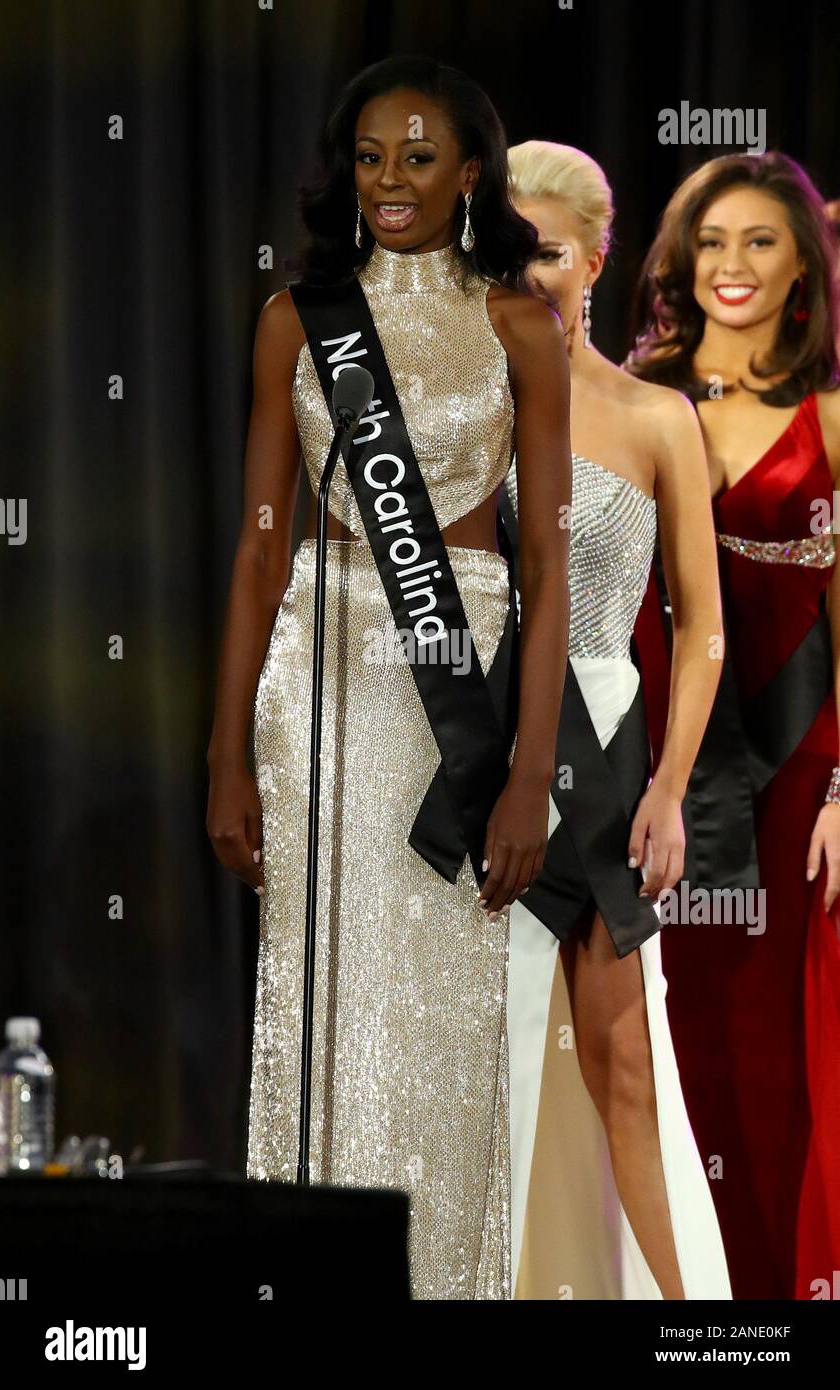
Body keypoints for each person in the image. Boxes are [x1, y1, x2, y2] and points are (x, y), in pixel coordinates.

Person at [205, 57, 571, 1301]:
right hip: (318, 683)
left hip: (452, 673)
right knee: (317, 1006)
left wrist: (529, 774)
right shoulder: (295, 319)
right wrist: (226, 754)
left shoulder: (521, 324)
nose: (390, 183)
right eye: (369, 158)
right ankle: (310, 1291)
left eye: (419, 158)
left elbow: (548, 563)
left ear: (471, 172)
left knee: (437, 1019)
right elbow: (260, 547)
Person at [503, 140, 732, 1299]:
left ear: (593, 259)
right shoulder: (456, 413)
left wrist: (665, 790)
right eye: (502, 250)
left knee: (623, 1063)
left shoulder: (655, 418)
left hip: (604, 749)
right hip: (481, 753)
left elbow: (701, 630)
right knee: (490, 1065)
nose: (523, 272)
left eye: (544, 252)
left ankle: (682, 1319)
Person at [626, 150, 840, 1300]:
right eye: (711, 242)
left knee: (782, 1057)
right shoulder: (635, 396)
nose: (731, 265)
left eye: (759, 240)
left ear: (802, 261)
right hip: (662, 770)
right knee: (680, 1039)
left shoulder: (830, 414)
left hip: (800, 778)